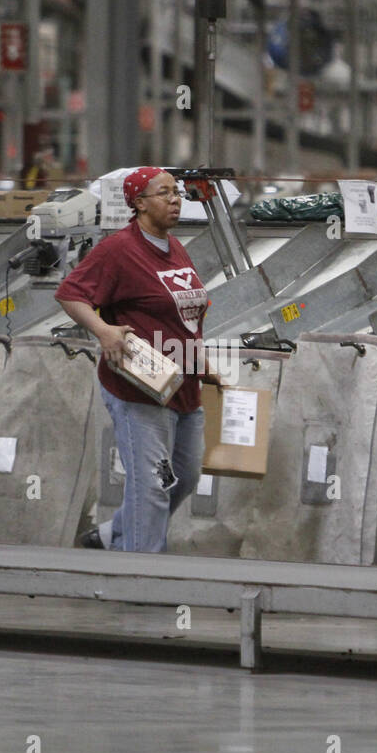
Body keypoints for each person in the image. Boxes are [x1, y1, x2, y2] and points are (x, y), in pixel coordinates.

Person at [55, 166, 227, 553]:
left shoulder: (174, 246)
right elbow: (70, 293)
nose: (174, 200)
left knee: (183, 477)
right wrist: (103, 330)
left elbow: (183, 316)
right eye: (163, 193)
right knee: (151, 484)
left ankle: (113, 534)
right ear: (138, 203)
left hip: (184, 386)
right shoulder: (120, 249)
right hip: (139, 391)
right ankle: (138, 574)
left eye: (177, 193)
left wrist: (202, 366)